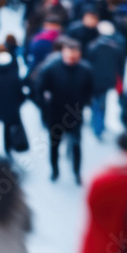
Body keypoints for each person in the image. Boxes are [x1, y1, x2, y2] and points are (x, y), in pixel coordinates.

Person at [38, 38, 94, 185]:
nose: (72, 59)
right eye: (69, 56)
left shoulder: (86, 70)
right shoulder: (51, 69)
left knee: (76, 145)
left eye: (75, 56)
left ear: (79, 54)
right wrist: (45, 110)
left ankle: (76, 172)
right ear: (63, 52)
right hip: (55, 115)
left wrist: (84, 104)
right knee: (54, 145)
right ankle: (54, 170)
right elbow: (39, 90)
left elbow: (89, 91)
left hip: (75, 115)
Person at [86, 21, 126, 140]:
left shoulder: (93, 46)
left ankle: (97, 126)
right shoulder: (117, 48)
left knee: (97, 102)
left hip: (95, 80)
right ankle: (98, 125)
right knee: (101, 103)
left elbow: (88, 65)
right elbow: (121, 69)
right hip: (108, 81)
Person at [0, 49, 27, 157]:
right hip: (10, 108)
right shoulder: (14, 76)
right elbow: (20, 94)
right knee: (8, 129)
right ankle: (8, 148)